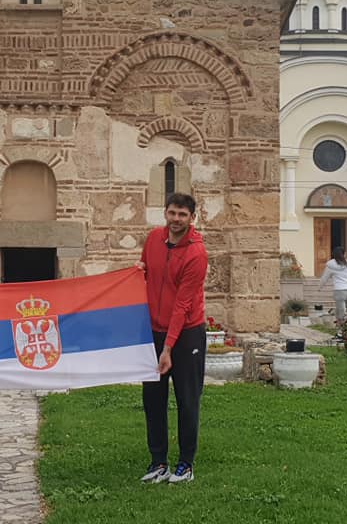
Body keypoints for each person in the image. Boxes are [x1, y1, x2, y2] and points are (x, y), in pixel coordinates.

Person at [138, 192, 208, 485]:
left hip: (187, 333)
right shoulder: (154, 239)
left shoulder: (196, 253)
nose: (176, 219)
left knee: (187, 400)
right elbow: (145, 273)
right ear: (165, 213)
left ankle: (185, 464)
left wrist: (168, 348)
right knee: (153, 399)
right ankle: (158, 462)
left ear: (192, 218)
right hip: (154, 330)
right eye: (172, 213)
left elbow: (183, 305)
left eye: (182, 215)